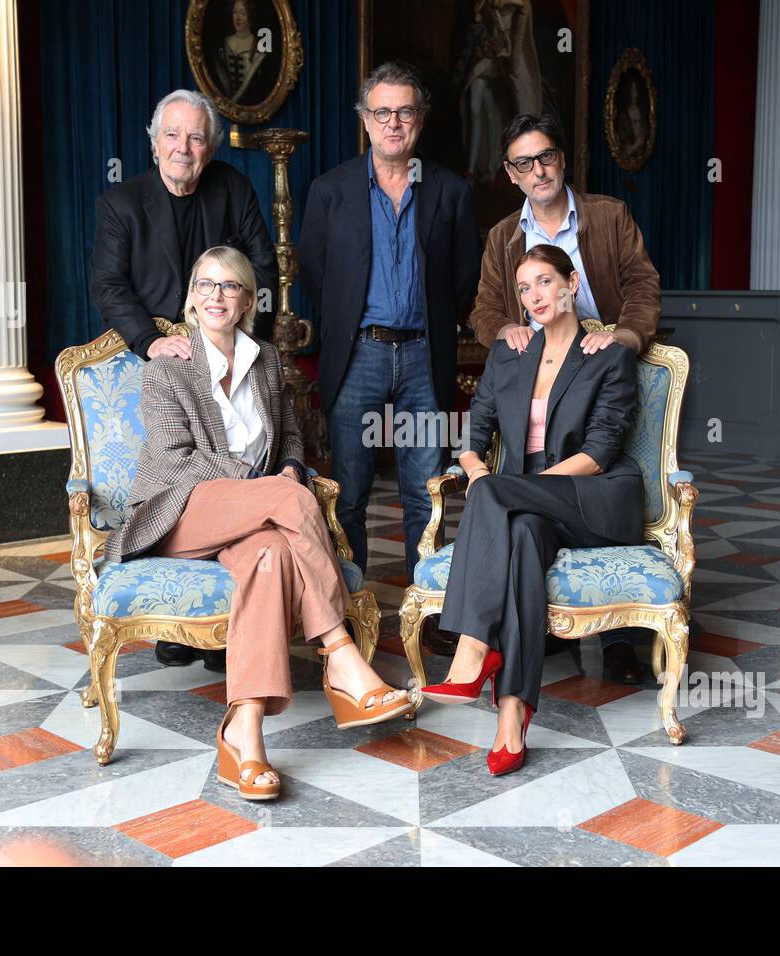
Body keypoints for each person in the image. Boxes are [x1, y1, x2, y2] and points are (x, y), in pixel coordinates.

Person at [103, 246, 413, 801]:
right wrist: (268, 486)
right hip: (179, 508)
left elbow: (290, 437)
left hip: (255, 517)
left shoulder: (266, 360)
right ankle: (341, 656)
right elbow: (177, 459)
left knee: (271, 554)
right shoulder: (167, 366)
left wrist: (289, 468)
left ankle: (242, 735)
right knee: (290, 500)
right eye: (205, 285)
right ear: (191, 297)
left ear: (248, 299)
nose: (215, 296)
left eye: (229, 287)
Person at [422, 244, 642, 776]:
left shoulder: (606, 353)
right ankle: (510, 719)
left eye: (544, 282)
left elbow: (599, 451)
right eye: (524, 288)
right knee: (518, 535)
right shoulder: (510, 353)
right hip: (527, 504)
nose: (534, 296)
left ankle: (472, 648)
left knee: (501, 496)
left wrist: (511, 487)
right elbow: (472, 438)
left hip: (591, 497)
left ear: (571, 283)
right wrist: (478, 472)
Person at [467, 112, 660, 684]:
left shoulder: (607, 215)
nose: (538, 170)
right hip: (546, 366)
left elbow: (642, 287)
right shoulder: (505, 236)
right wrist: (507, 330)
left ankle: (621, 638)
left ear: (562, 159)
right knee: (529, 513)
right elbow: (485, 309)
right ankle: (541, 628)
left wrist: (619, 339)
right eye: (523, 162)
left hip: (604, 361)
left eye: (545, 156)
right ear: (511, 173)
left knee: (580, 470)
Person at [90, 88, 276, 672]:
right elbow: (109, 287)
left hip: (226, 349)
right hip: (161, 362)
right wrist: (152, 340)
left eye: (196, 137)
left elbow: (262, 265)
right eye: (172, 135)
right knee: (191, 470)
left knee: (237, 463)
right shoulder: (122, 202)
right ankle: (182, 626)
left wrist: (242, 335)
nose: (183, 147)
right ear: (154, 143)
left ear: (211, 145)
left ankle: (226, 625)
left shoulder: (234, 187)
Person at [299, 61, 480, 582]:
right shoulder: (330, 191)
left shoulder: (450, 192)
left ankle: (428, 608)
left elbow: (464, 276)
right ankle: (351, 607)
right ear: (365, 119)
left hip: (425, 357)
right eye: (382, 112)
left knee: (425, 491)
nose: (393, 123)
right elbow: (315, 269)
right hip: (359, 356)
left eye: (404, 112)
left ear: (419, 120)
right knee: (349, 491)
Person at [213, 0, 266, 103]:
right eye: (235, 12)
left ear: (250, 17)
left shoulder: (259, 46)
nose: (237, 18)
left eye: (243, 13)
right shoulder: (224, 43)